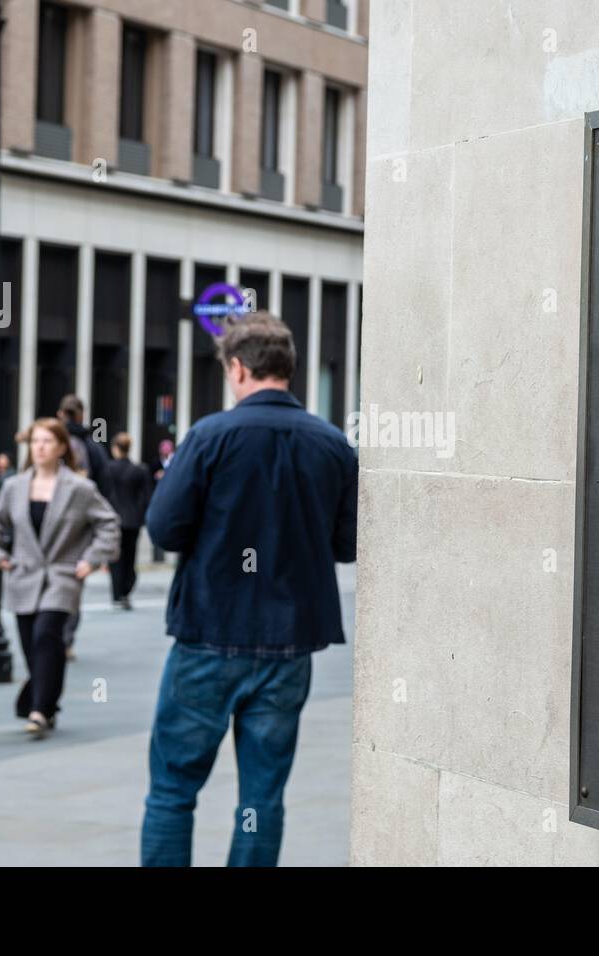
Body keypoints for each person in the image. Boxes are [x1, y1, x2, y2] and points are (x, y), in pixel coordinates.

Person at [140, 313, 358, 867]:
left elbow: (164, 527)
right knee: (261, 798)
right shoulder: (331, 445)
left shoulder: (210, 436)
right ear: (288, 367)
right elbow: (349, 541)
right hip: (288, 646)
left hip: (208, 635)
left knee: (172, 791)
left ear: (237, 367)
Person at [0, 418, 119, 736]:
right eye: (35, 441)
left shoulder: (80, 488)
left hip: (62, 575)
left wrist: (92, 559)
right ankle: (48, 702)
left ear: (61, 447)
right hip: (24, 574)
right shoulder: (15, 486)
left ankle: (38, 710)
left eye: (46, 441)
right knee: (35, 646)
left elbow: (108, 522)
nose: (39, 447)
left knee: (47, 634)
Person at [55, 394, 112, 660]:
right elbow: (104, 488)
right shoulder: (94, 446)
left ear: (60, 415)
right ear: (81, 416)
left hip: (49, 522)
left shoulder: (51, 444)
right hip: (81, 525)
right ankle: (65, 639)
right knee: (73, 582)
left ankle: (49, 634)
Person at [106, 432, 153, 610]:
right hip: (133, 520)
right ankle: (126, 590)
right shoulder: (139, 470)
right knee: (130, 557)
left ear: (115, 449)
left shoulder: (108, 469)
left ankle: (117, 593)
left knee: (116, 558)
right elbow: (147, 497)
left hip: (113, 519)